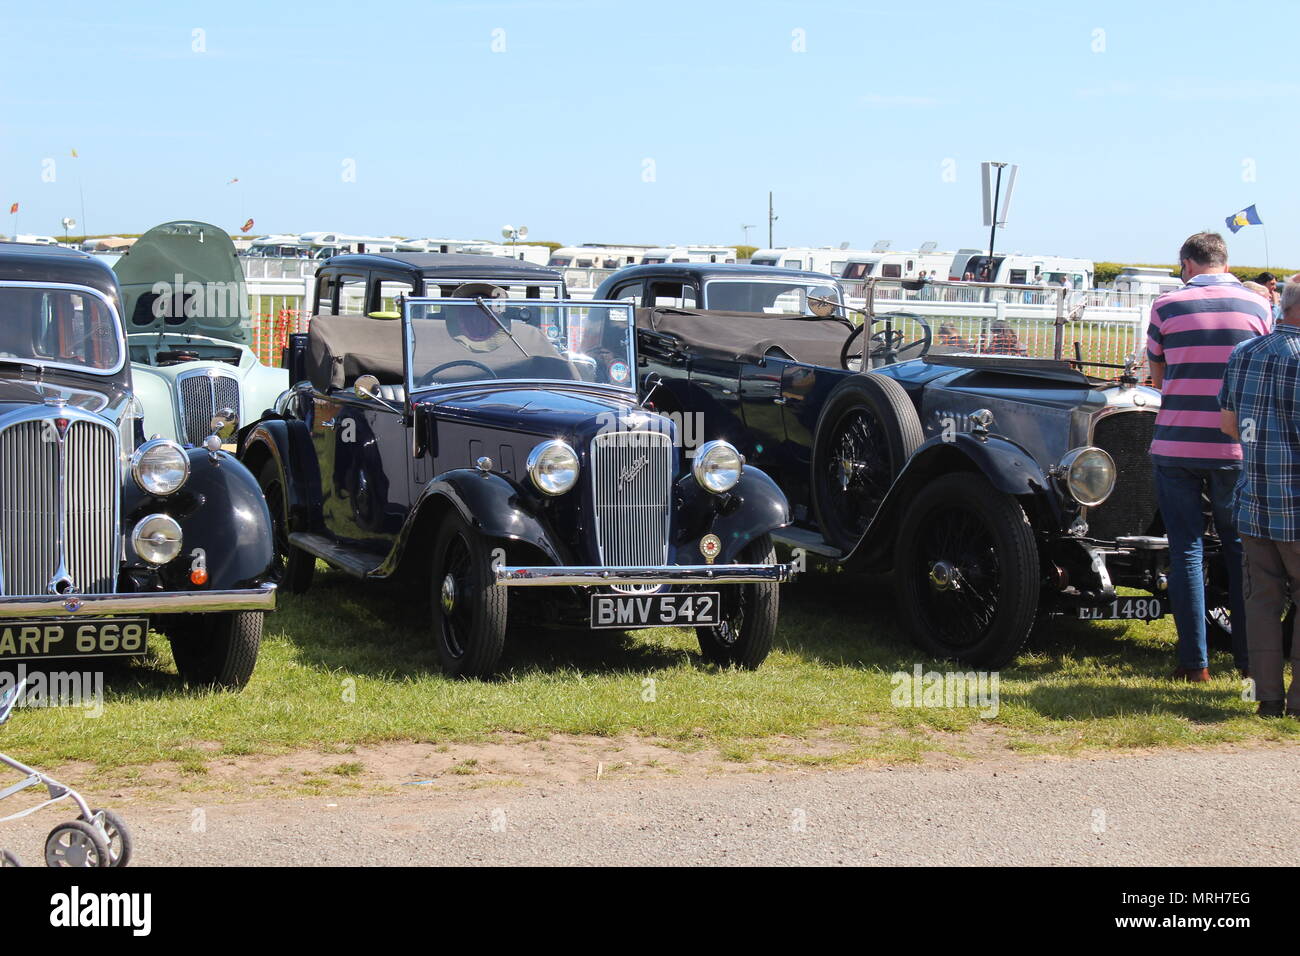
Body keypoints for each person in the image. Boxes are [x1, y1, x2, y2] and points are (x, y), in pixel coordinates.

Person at [1146, 232, 1271, 681]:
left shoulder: (1166, 306)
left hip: (1176, 443)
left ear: (1187, 264)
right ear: (1225, 262)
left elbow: (1157, 377)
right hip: (1236, 446)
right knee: (1241, 552)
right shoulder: (1259, 306)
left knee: (1186, 550)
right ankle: (1249, 660)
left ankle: (1194, 663)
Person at [1219, 276, 1300, 716]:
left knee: (1261, 603)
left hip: (1254, 500)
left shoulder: (1244, 352)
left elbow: (1228, 426)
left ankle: (1266, 697)